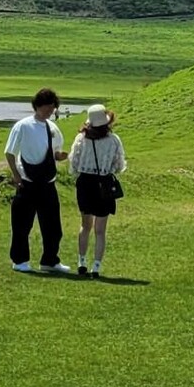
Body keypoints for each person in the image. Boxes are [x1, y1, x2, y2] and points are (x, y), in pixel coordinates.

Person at [5, 89, 71, 273]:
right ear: (40, 105)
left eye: (53, 107)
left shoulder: (53, 128)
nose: (52, 110)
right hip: (27, 181)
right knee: (21, 224)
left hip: (48, 182)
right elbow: (9, 152)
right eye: (50, 106)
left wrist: (61, 156)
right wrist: (16, 175)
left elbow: (55, 152)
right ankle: (19, 260)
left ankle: (49, 261)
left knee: (53, 226)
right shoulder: (23, 126)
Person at [69, 104, 126, 277]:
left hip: (85, 182)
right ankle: (97, 266)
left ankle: (81, 261)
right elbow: (119, 165)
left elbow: (73, 163)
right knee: (100, 230)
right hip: (104, 183)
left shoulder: (81, 139)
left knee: (85, 225)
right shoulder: (114, 140)